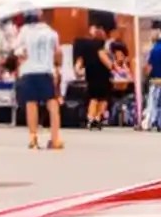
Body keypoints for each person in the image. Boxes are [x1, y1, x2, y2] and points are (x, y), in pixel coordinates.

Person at [15, 9, 63, 149]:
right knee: (52, 105)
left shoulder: (24, 31)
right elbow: (58, 53)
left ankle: (33, 138)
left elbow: (16, 48)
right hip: (46, 71)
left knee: (31, 104)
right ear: (40, 17)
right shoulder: (51, 33)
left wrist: (21, 54)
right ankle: (55, 139)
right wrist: (57, 68)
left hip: (28, 71)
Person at [74, 24, 113, 130]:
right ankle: (98, 117)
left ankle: (90, 118)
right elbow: (105, 60)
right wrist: (113, 67)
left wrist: (77, 69)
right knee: (104, 97)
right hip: (102, 74)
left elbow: (80, 60)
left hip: (90, 73)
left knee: (93, 97)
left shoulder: (85, 46)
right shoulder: (101, 46)